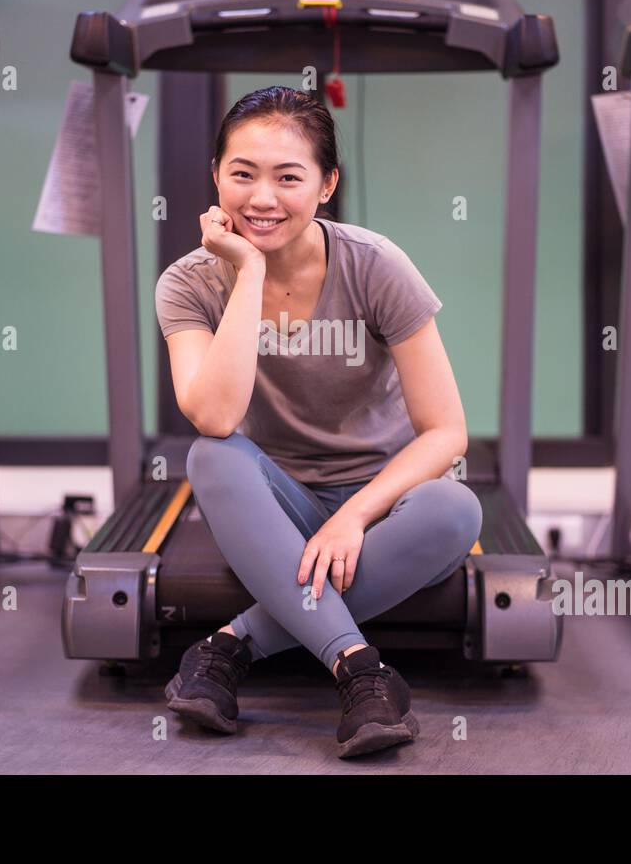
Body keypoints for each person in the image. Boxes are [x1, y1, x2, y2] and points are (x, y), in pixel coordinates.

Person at [154, 86, 482, 758]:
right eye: (242, 174)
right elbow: (214, 416)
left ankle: (230, 646)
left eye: (289, 177)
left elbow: (446, 432)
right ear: (216, 175)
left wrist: (354, 515)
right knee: (211, 456)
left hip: (376, 503)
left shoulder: (377, 266)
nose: (262, 198)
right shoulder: (188, 283)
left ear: (327, 184)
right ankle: (360, 671)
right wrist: (246, 272)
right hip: (273, 502)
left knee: (454, 510)